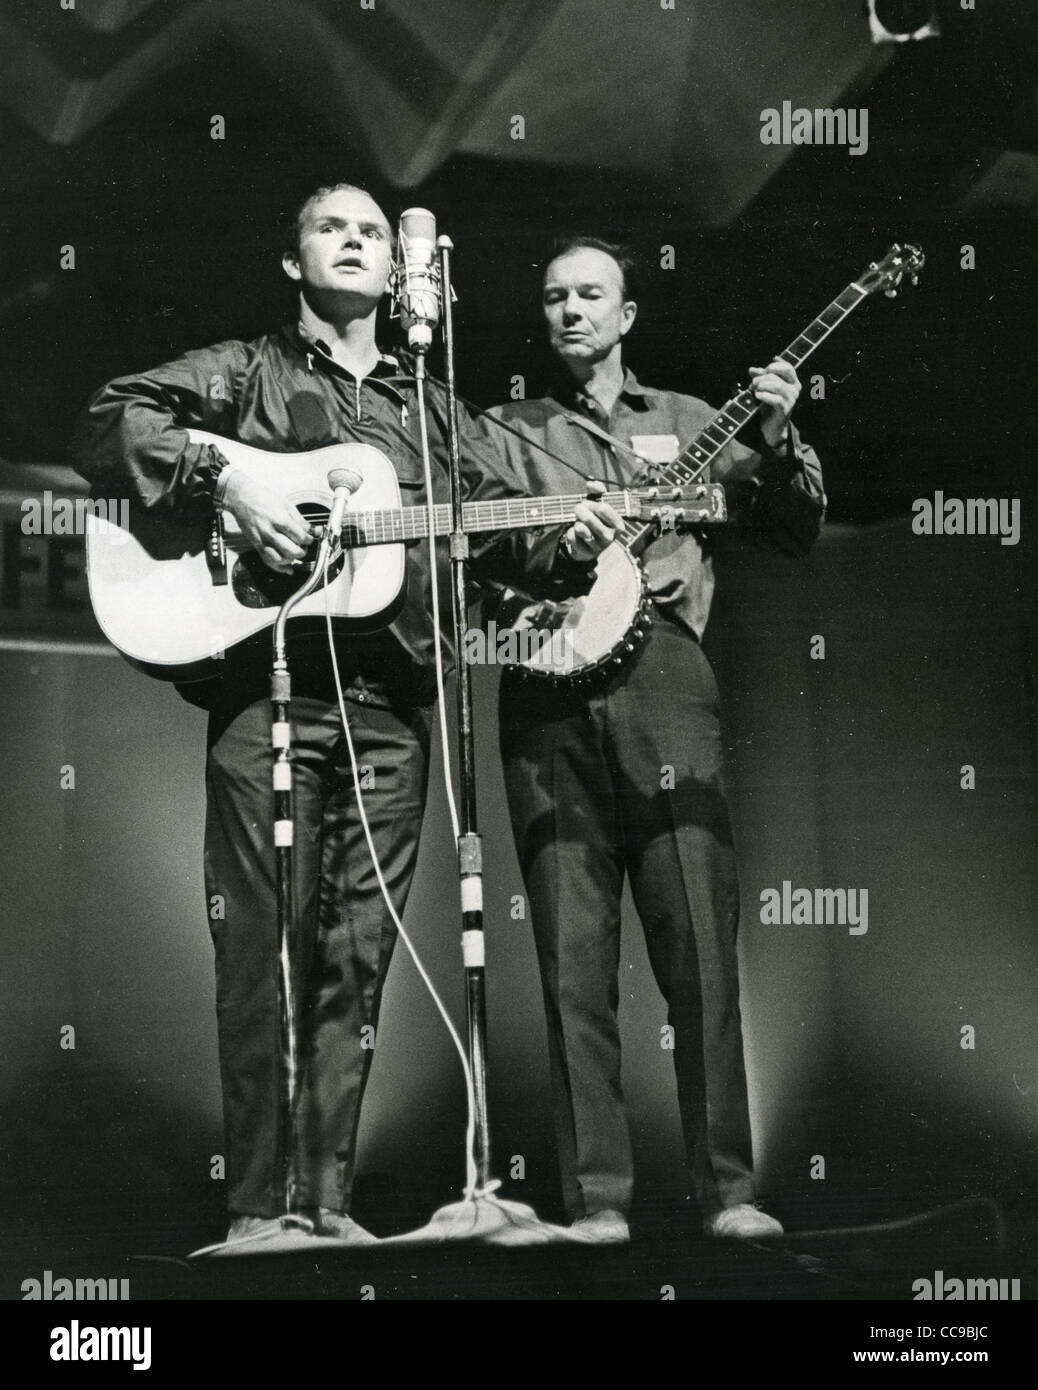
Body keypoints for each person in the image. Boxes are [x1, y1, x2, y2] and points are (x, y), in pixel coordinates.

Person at [73, 187, 620, 1246]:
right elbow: (108, 417)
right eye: (336, 227)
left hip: (396, 713)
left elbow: (514, 538)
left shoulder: (433, 404)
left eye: (376, 231)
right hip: (265, 700)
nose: (362, 241)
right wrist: (226, 481)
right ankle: (256, 1210)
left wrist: (584, 534)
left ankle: (324, 1208)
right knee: (265, 950)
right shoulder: (247, 370)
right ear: (294, 262)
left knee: (358, 958)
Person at [483, 236, 825, 1243]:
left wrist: (780, 429)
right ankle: (596, 1202)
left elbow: (793, 525)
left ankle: (729, 1190)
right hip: (546, 689)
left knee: (699, 950)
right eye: (554, 296)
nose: (570, 310)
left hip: (666, 678)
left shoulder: (686, 422)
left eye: (591, 294)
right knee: (570, 959)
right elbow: (479, 549)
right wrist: (550, 549)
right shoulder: (507, 429)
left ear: (628, 314)